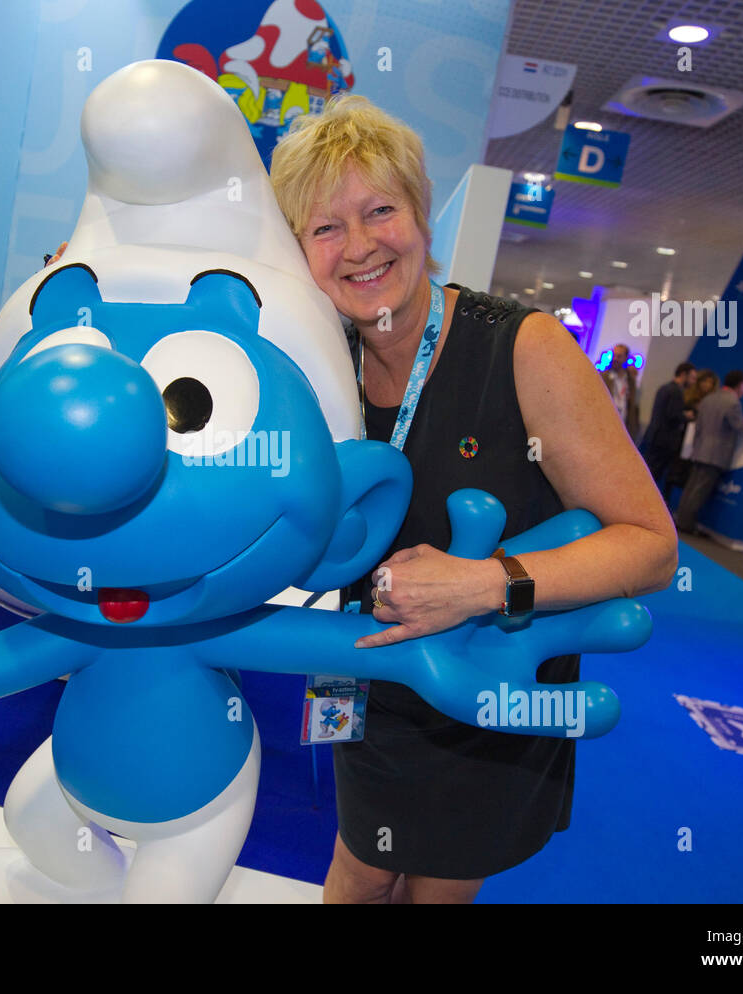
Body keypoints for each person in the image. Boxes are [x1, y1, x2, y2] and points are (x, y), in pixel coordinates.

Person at [266, 94, 677, 903]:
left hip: (497, 683)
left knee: (437, 890)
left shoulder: (522, 348)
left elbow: (651, 545)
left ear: (420, 217)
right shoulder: (317, 360)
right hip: (371, 675)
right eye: (325, 228)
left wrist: (486, 583)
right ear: (298, 252)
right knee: (358, 865)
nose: (359, 247)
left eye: (379, 210)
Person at [673, 370, 743, 535]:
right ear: (741, 385)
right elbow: (740, 427)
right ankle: (686, 524)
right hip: (715, 454)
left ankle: (680, 519)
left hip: (700, 450)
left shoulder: (709, 398)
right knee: (699, 491)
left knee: (691, 487)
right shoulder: (732, 402)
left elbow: (698, 426)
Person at [640, 362, 696, 495]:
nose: (694, 382)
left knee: (647, 472)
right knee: (652, 477)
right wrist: (687, 416)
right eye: (692, 377)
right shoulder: (676, 391)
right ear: (683, 375)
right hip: (664, 441)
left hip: (655, 437)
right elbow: (673, 415)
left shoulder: (664, 388)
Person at [664, 368, 717, 502]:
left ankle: (679, 508)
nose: (707, 385)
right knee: (672, 473)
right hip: (681, 439)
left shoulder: (712, 403)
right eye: (705, 381)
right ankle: (665, 501)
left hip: (698, 444)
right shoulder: (687, 396)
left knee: (688, 477)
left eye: (710, 383)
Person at [600, 344, 640, 440]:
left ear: (626, 358)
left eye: (619, 356)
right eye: (614, 355)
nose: (615, 359)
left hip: (622, 427)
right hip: (605, 425)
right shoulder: (603, 377)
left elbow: (631, 405)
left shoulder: (630, 380)